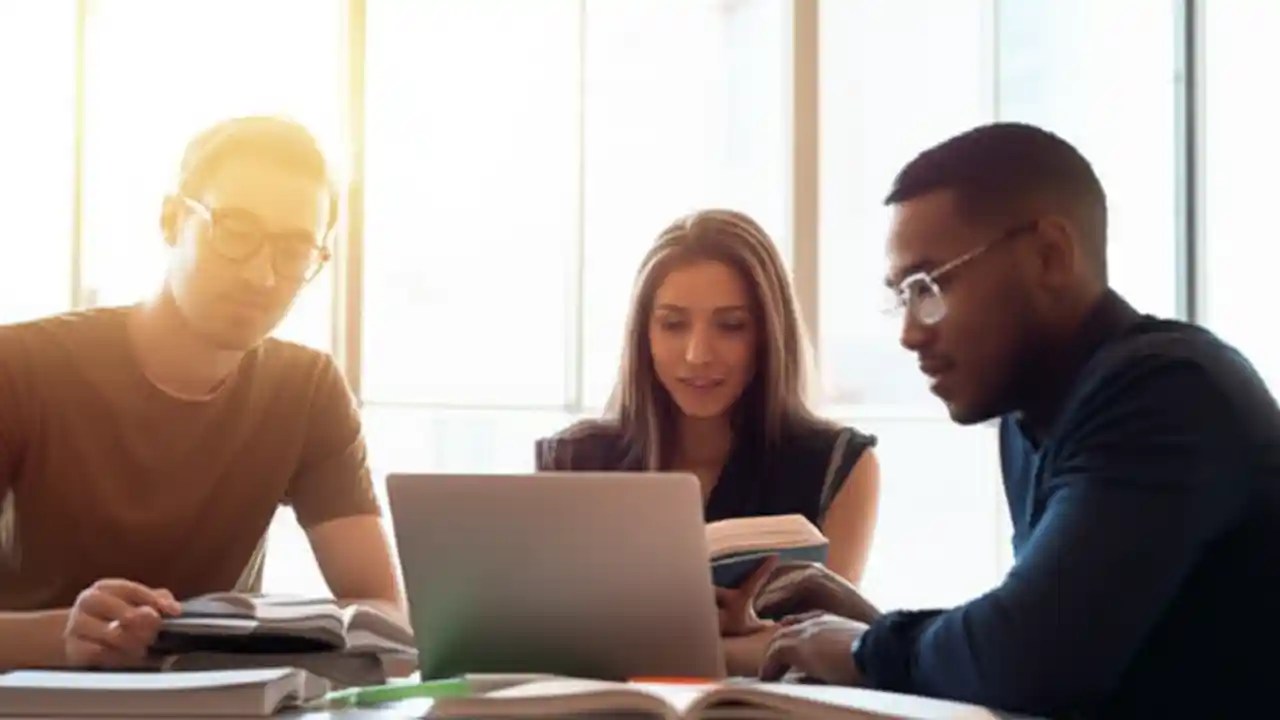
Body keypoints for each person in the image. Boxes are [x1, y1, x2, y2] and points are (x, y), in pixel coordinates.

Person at [759, 122, 1280, 717]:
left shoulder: (1169, 393)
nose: (909, 332)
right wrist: (864, 626)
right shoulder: (1030, 418)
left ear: (1049, 256)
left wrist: (867, 646)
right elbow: (1060, 644)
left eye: (928, 286)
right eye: (901, 296)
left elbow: (1028, 660)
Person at [0, 116, 405, 671]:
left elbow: (382, 613)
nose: (262, 275)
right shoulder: (22, 366)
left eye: (294, 250)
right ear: (172, 220)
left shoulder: (306, 390)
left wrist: (274, 631)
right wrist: (63, 637)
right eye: (235, 231)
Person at [537, 209, 880, 649]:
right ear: (644, 334)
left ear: (769, 335)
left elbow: (831, 651)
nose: (698, 354)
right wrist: (750, 649)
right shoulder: (574, 461)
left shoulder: (839, 465)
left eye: (731, 326)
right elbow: (542, 643)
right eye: (673, 324)